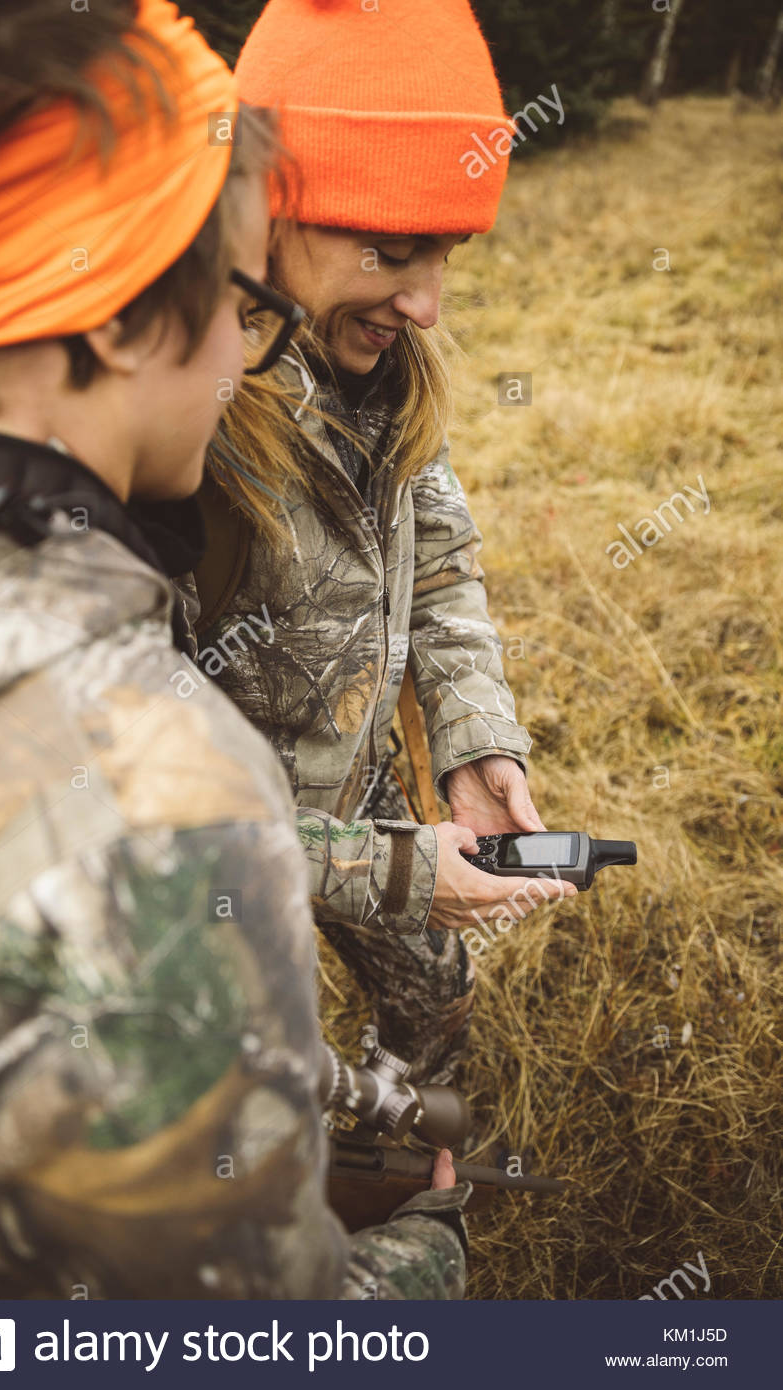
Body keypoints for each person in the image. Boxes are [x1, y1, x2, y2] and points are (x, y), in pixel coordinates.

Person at [0, 0, 468, 1300]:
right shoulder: (151, 777)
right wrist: (428, 1252)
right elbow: (252, 1331)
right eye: (235, 304)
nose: (242, 358)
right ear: (111, 323)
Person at [192, 0, 578, 1085]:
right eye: (393, 251)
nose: (425, 303)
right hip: (214, 863)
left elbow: (443, 565)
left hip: (364, 800)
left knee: (435, 992)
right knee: (253, 1084)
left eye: (446, 253)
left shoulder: (391, 377)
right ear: (267, 212)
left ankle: (403, 1158)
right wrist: (379, 867)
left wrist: (471, 737)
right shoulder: (178, 430)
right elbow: (133, 821)